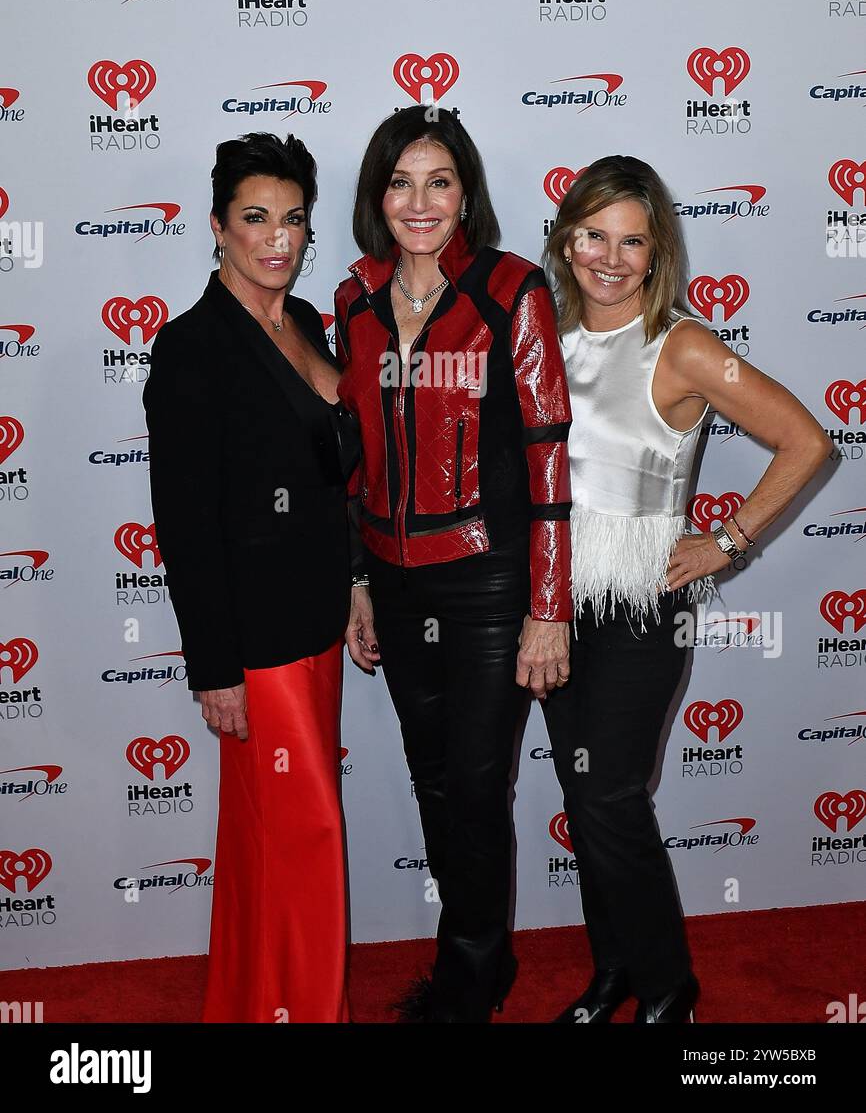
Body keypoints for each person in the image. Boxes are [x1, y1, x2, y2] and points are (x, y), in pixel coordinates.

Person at [541, 154, 834, 1024]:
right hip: (558, 603)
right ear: (565, 239)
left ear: (657, 250)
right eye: (594, 234)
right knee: (584, 798)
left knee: (610, 795)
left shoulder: (683, 343)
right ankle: (612, 975)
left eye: (633, 240)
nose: (610, 256)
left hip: (640, 604)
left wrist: (729, 543)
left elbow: (808, 441)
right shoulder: (543, 335)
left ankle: (670, 991)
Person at [334, 105, 573, 1022]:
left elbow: (551, 457)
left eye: (439, 181)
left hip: (488, 581)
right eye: (400, 181)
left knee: (476, 783)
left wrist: (547, 607)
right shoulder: (352, 303)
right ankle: (478, 957)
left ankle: (471, 979)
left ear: (465, 190)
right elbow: (355, 459)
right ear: (377, 196)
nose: (419, 201)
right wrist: (357, 578)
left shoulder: (514, 293)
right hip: (394, 582)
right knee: (433, 778)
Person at [143, 131, 359, 1023]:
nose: (278, 238)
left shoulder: (306, 322)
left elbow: (328, 480)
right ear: (218, 227)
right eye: (255, 218)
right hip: (257, 644)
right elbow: (184, 523)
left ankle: (253, 1000)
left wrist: (356, 586)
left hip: (317, 626)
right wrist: (214, 667)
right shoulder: (192, 348)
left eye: (294, 219)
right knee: (301, 836)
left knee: (275, 838)